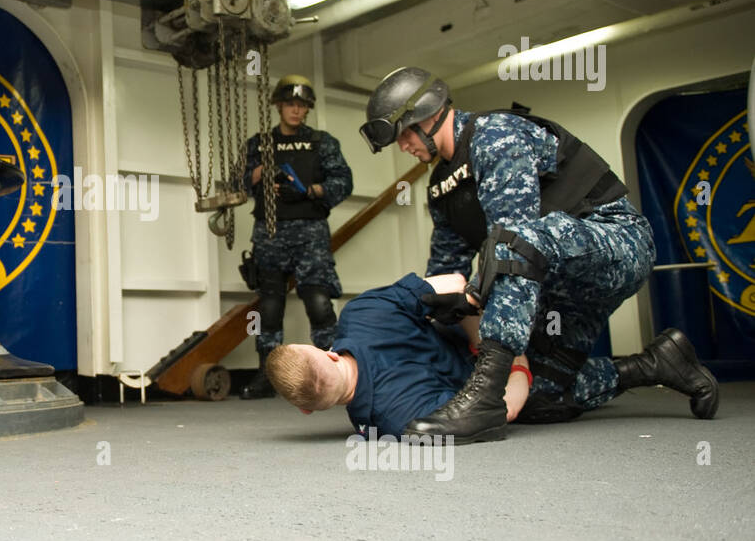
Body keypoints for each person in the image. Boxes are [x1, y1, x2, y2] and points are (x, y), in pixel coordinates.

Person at [358, 67, 717, 442]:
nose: (402, 147)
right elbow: (446, 272)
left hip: (617, 245)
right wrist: (421, 313)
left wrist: (475, 300)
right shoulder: (441, 188)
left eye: (403, 134)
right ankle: (655, 365)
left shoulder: (495, 136)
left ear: (429, 116)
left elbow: (514, 235)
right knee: (536, 397)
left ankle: (484, 397)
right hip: (560, 286)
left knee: (513, 242)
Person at [266, 273, 532, 437]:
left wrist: (515, 360)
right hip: (513, 311)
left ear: (307, 410)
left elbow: (504, 409)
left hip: (516, 369)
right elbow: (456, 285)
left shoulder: (391, 423)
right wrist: (491, 342)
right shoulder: (360, 311)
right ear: (330, 355)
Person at [239, 75, 353, 399]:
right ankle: (268, 374)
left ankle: (331, 370)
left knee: (318, 302)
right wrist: (261, 173)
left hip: (310, 232)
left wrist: (310, 190)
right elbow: (240, 183)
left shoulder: (322, 142)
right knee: (269, 307)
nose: (296, 110)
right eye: (290, 104)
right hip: (270, 232)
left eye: (302, 106)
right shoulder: (258, 144)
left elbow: (343, 182)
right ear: (278, 105)